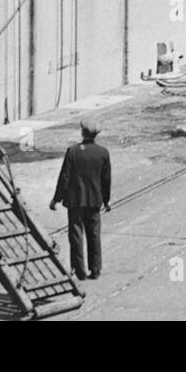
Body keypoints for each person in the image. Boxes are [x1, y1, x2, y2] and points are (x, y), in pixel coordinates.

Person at [49, 120, 112, 280]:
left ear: (83, 133)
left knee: (76, 236)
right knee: (94, 235)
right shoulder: (103, 152)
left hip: (75, 201)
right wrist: (107, 200)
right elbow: (106, 180)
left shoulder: (73, 151)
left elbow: (64, 177)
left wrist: (56, 199)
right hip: (94, 201)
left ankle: (79, 271)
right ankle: (95, 269)